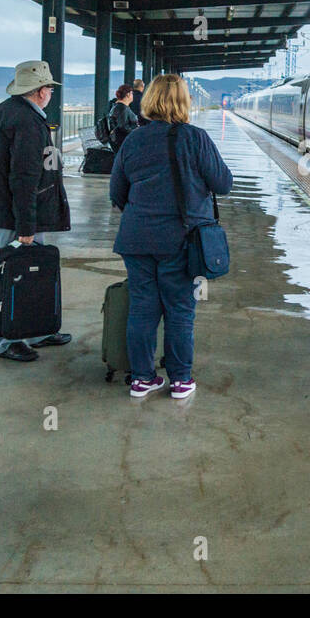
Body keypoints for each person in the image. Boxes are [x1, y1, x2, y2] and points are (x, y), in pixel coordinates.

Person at [110, 74, 232, 399]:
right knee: (180, 310)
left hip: (136, 240)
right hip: (182, 240)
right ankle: (180, 380)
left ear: (148, 100)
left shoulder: (133, 140)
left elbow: (117, 193)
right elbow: (223, 184)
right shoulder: (196, 138)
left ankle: (142, 379)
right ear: (184, 101)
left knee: (142, 308)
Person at [0, 60, 72, 362]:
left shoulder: (5, 111)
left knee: (30, 273)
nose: (51, 93)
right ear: (41, 92)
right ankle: (6, 341)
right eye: (49, 88)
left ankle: (36, 329)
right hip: (17, 212)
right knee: (11, 272)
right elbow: (24, 177)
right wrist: (26, 225)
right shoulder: (26, 121)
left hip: (12, 209)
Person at [109, 84, 139, 151]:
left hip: (121, 142)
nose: (132, 95)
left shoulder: (118, 106)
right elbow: (123, 127)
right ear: (128, 94)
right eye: (132, 93)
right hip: (124, 143)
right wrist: (137, 132)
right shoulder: (122, 108)